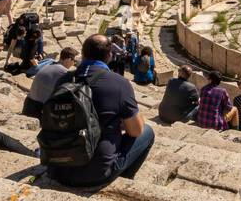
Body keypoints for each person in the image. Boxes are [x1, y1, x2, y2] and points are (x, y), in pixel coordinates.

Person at [25, 34, 154, 188]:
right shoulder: (119, 83)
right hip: (95, 173)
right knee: (147, 131)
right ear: (109, 56)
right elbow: (136, 131)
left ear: (84, 54)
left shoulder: (64, 80)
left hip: (57, 169)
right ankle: (124, 178)